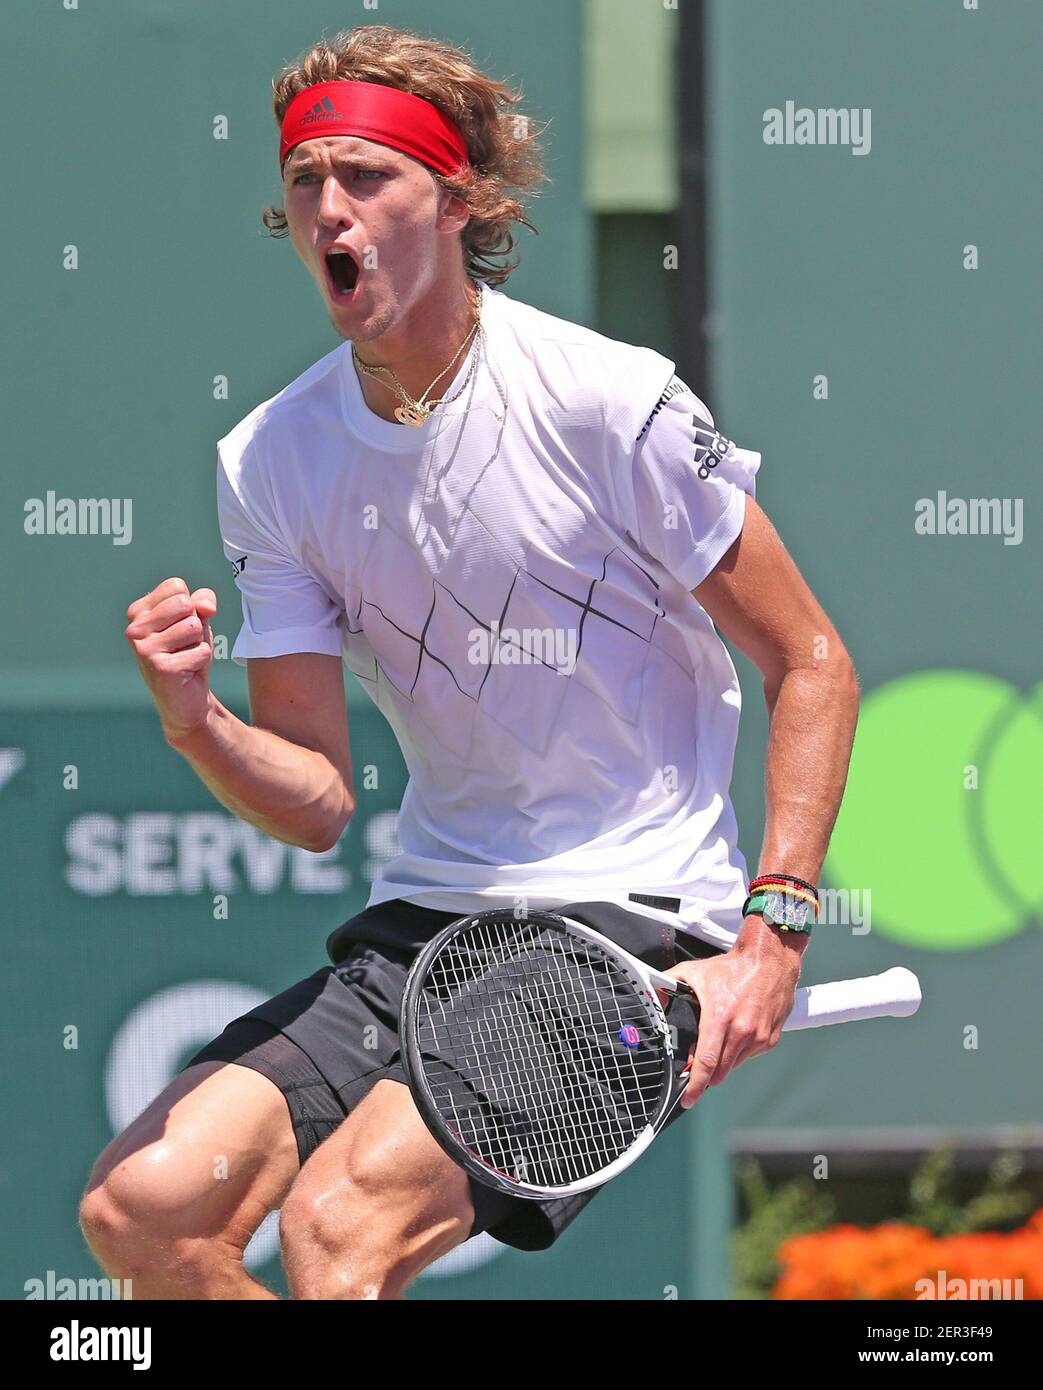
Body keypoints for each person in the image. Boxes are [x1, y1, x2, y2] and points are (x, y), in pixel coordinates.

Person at [80, 24, 859, 1299]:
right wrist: (193, 723)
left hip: (634, 921)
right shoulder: (269, 460)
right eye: (303, 183)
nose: (330, 210)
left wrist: (769, 935)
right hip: (432, 918)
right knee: (144, 1210)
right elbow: (319, 800)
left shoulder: (612, 402)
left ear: (456, 201)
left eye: (368, 177)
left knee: (341, 1230)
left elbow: (811, 659)